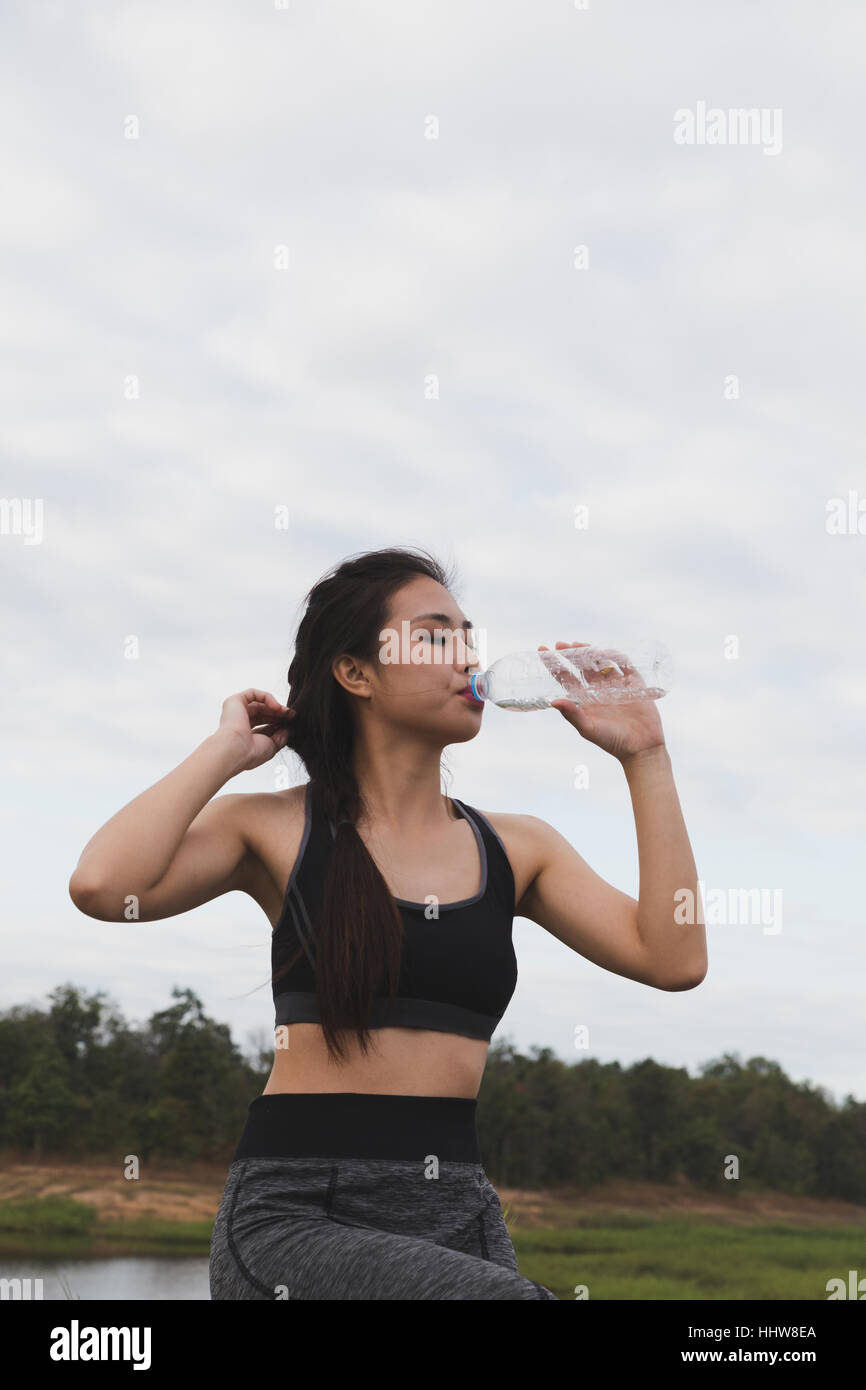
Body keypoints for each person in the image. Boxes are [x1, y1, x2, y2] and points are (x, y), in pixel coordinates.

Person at [69, 545, 706, 1299]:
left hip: (458, 1211)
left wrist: (647, 755)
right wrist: (225, 752)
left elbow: (672, 958)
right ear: (355, 673)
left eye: (467, 636)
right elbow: (105, 885)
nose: (466, 656)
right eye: (435, 635)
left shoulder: (518, 847)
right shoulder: (274, 830)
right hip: (298, 1215)